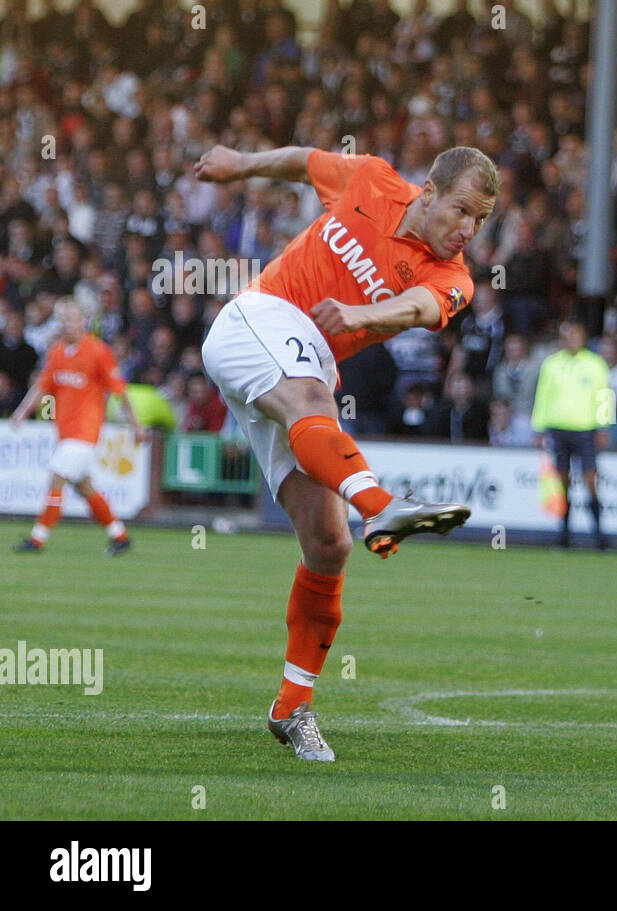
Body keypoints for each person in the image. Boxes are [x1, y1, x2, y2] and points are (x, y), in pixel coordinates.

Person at [193, 141, 499, 762]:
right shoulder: (371, 180)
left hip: (298, 370)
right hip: (258, 317)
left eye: (482, 221)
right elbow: (304, 161)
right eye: (462, 210)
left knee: (328, 544)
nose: (467, 230)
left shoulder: (453, 277)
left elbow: (417, 308)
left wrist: (362, 310)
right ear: (429, 191)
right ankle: (383, 505)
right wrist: (242, 162)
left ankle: (292, 705)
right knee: (314, 397)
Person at [10, 299, 143, 555]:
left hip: (86, 432)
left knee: (56, 478)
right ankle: (120, 536)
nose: (68, 324)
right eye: (63, 319)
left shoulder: (97, 351)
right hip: (66, 432)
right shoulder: (58, 351)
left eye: (72, 318)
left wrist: (136, 426)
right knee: (85, 487)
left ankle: (37, 539)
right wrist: (22, 412)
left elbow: (120, 390)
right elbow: (42, 386)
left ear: (83, 321)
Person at [531, 318, 610, 549]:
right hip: (558, 428)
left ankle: (599, 534)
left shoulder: (596, 364)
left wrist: (603, 426)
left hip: (586, 429)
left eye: (577, 335)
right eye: (568, 335)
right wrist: (539, 427)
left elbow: (603, 396)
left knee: (590, 479)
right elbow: (543, 396)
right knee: (562, 482)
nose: (573, 339)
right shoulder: (552, 364)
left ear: (584, 338)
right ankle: (564, 534)